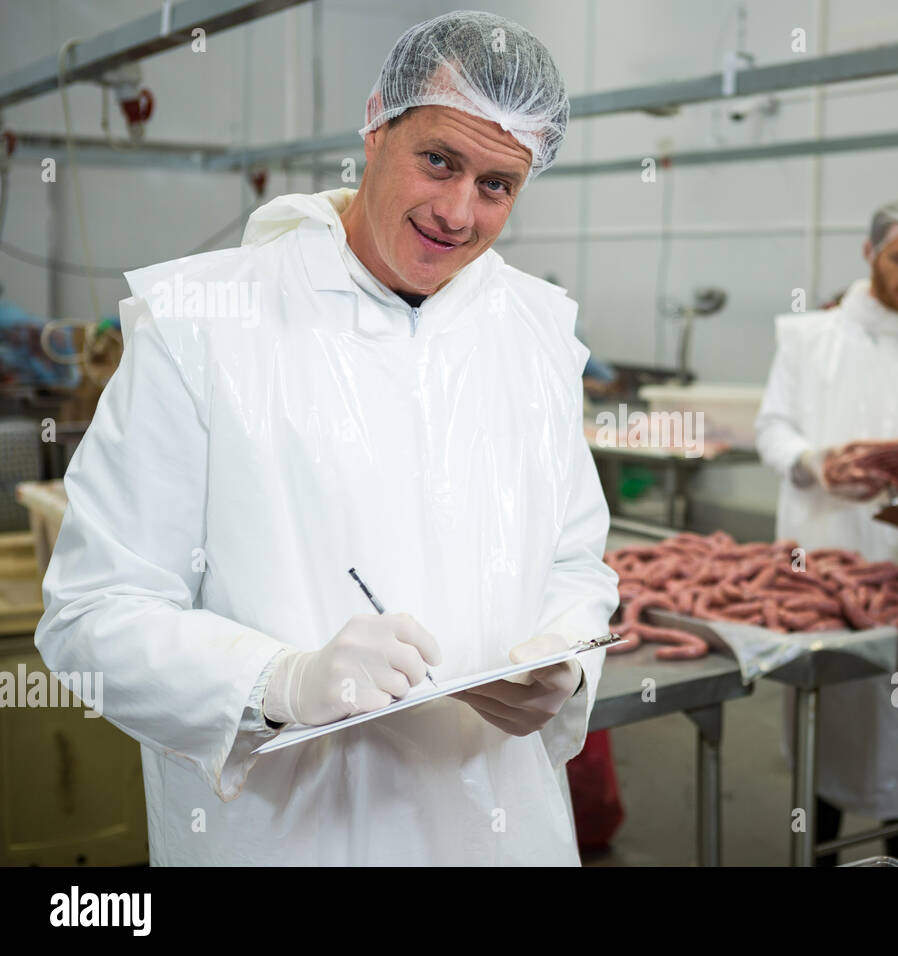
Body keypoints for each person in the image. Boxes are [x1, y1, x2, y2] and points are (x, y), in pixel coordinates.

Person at [35, 11, 618, 866]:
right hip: (288, 835)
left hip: (499, 827)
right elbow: (91, 615)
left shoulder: (534, 336)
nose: (458, 212)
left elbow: (576, 565)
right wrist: (277, 683)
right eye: (439, 161)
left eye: (497, 185)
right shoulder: (205, 324)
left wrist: (563, 667)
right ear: (377, 125)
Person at [754, 199, 898, 864]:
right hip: (826, 558)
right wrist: (814, 462)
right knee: (830, 716)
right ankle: (819, 855)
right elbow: (773, 429)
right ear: (869, 254)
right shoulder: (809, 339)